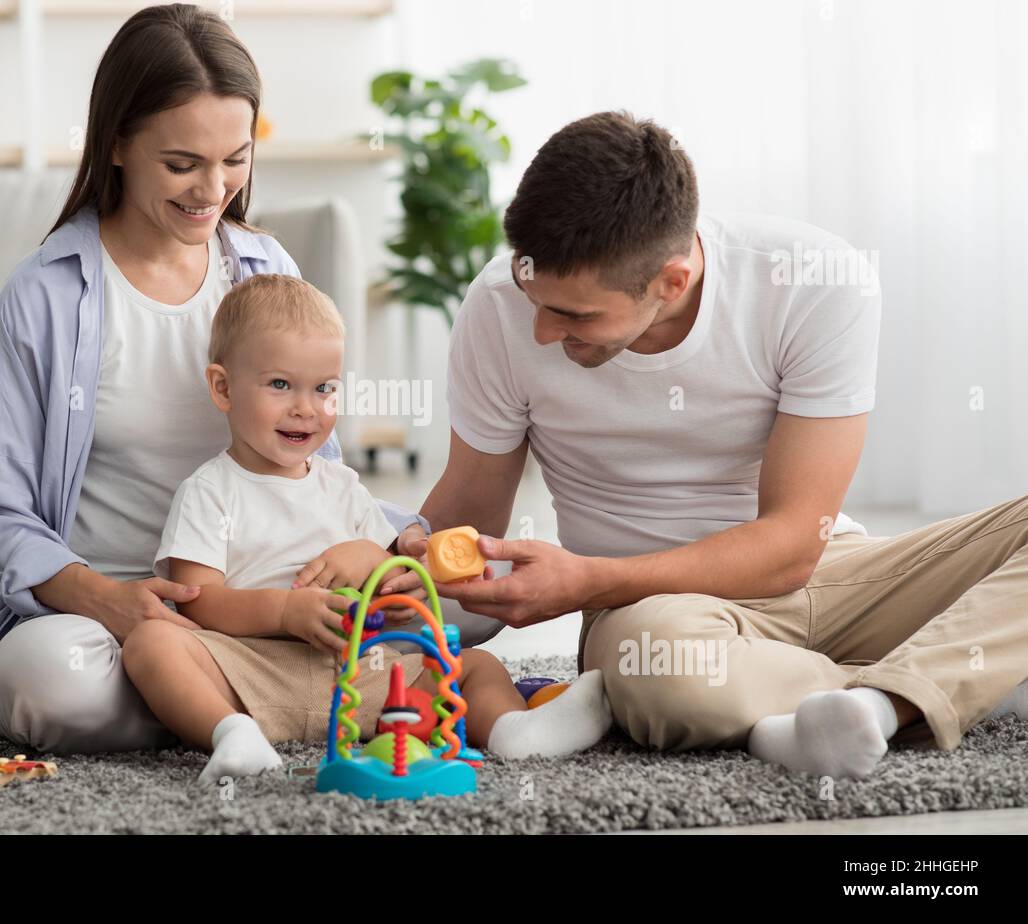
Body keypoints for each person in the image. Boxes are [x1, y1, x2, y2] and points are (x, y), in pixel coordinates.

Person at [410, 110, 1028, 779]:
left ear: (671, 281)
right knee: (660, 672)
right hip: (654, 618)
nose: (542, 332)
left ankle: (887, 701)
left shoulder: (813, 280)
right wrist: (394, 565)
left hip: (834, 577)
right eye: (536, 298)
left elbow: (793, 545)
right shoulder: (499, 308)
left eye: (575, 315)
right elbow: (467, 512)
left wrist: (587, 579)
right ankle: (938, 678)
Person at [0, 4, 435, 754]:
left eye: (235, 159)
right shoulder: (45, 296)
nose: (214, 190)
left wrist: (402, 543)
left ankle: (219, 703)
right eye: (182, 165)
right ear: (116, 145)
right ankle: (296, 696)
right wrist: (111, 602)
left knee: (457, 592)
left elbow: (313, 469)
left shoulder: (266, 269)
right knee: (51, 684)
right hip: (116, 615)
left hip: (270, 598)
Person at [132, 273, 610, 782]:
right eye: (279, 384)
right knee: (152, 643)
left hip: (365, 679)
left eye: (324, 389)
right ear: (223, 388)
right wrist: (286, 610)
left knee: (473, 665)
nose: (305, 407)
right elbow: (196, 599)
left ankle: (515, 731)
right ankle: (231, 734)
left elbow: (396, 586)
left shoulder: (342, 486)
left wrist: (387, 558)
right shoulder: (210, 491)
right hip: (256, 676)